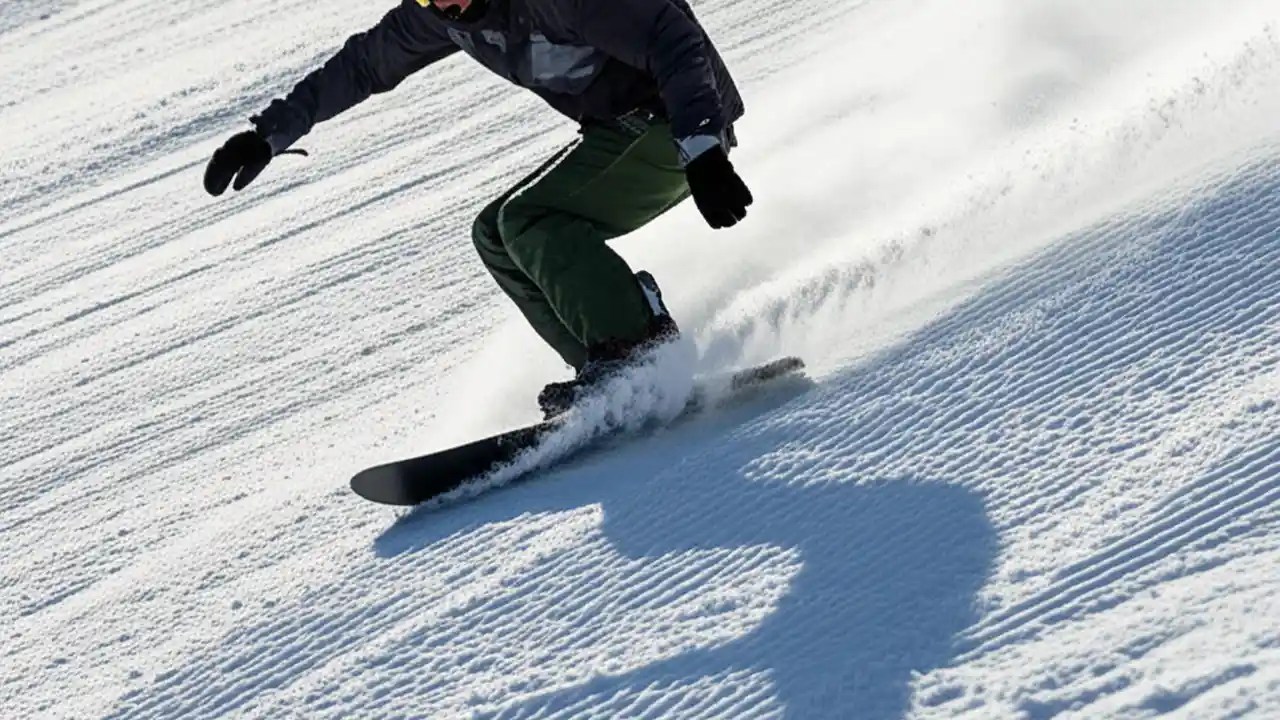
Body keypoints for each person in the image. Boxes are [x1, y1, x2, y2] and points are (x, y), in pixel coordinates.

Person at [204, 0, 753, 419]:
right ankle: (608, 366)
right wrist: (268, 136)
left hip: (674, 124)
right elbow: (362, 66)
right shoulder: (441, 15)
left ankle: (640, 352)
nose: (445, 4)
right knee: (495, 234)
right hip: (622, 130)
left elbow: (673, 39)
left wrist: (702, 147)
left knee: (530, 222)